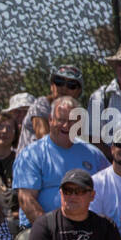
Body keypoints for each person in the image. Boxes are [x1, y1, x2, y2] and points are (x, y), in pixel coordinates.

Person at [13, 96, 109, 227]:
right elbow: (26, 200)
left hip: (86, 230)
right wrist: (52, 231)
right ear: (50, 120)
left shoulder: (94, 154)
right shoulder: (31, 154)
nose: (66, 125)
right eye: (61, 120)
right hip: (40, 229)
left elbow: (110, 188)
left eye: (72, 121)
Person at [20, 64, 83, 152]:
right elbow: (44, 138)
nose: (64, 88)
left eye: (71, 85)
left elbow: (79, 145)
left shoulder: (78, 113)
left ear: (78, 92)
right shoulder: (42, 104)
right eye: (59, 81)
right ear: (52, 86)